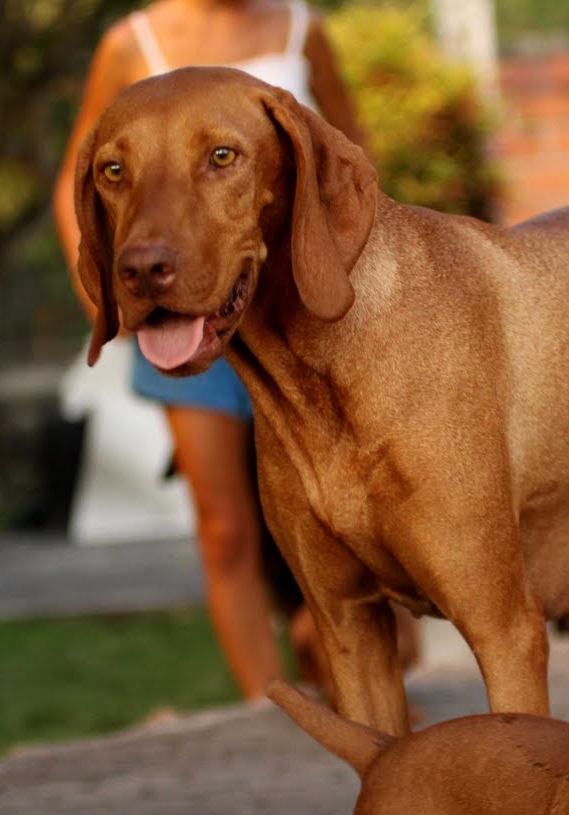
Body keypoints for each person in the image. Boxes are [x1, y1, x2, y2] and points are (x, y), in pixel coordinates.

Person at [53, 0, 414, 701]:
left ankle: (363, 679)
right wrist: (103, 295)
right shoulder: (133, 43)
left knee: (345, 512)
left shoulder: (301, 31)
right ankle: (266, 708)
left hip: (304, 318)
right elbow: (81, 177)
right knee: (224, 527)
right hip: (176, 310)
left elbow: (351, 160)